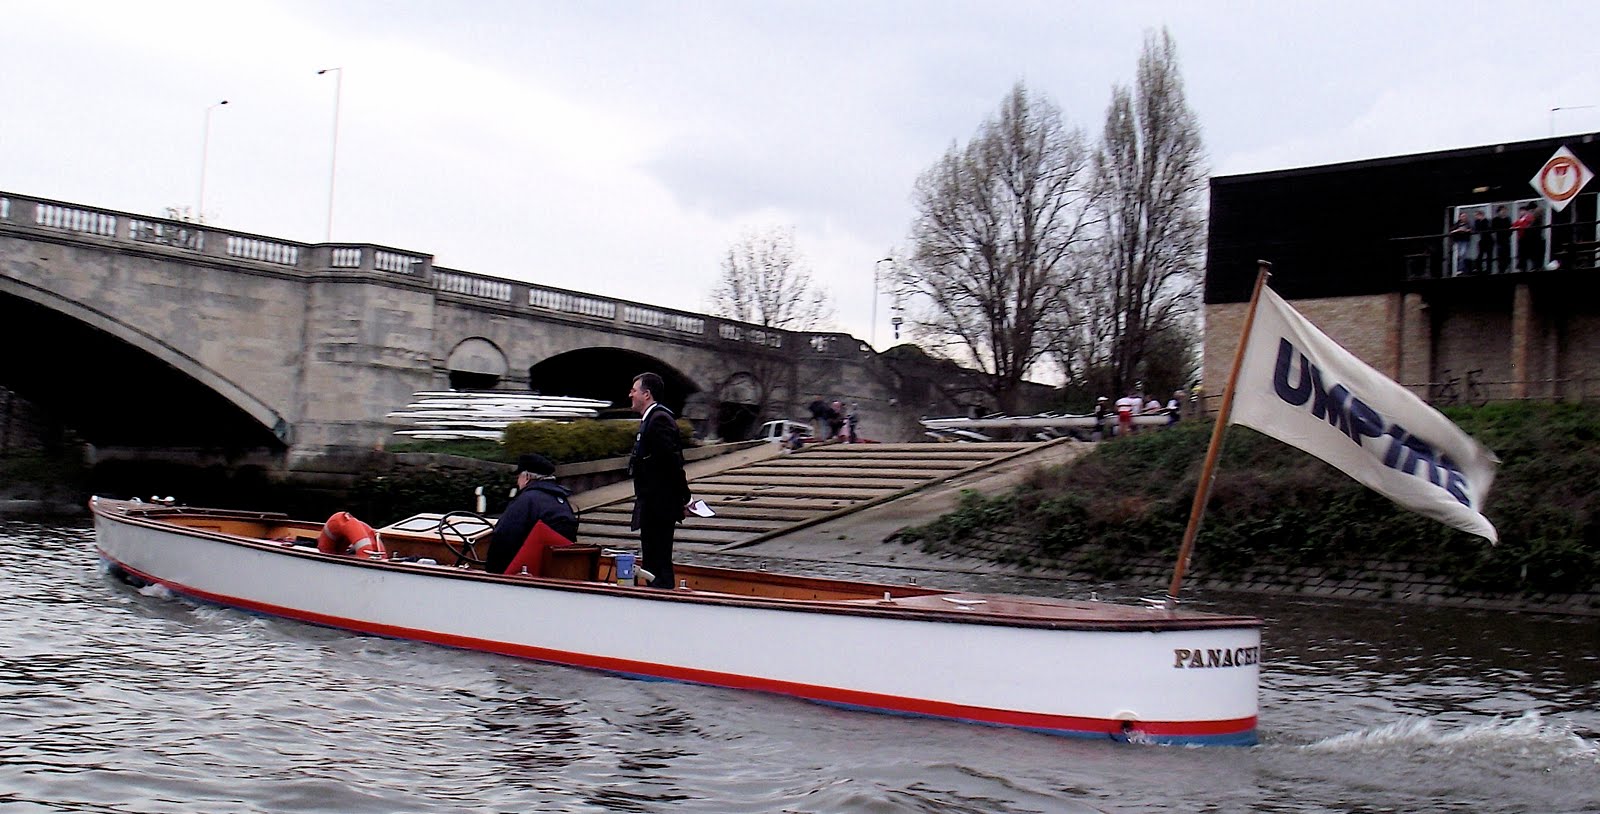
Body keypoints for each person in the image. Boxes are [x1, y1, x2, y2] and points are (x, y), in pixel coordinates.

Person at [629, 372, 690, 589]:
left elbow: (672, 463)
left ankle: (661, 597)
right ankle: (656, 594)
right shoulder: (652, 419)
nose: (630, 395)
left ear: (646, 394)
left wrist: (684, 498)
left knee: (658, 559)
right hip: (653, 502)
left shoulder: (659, 420)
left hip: (659, 505)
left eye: (634, 390)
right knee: (653, 558)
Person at [487, 453, 579, 575]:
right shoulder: (561, 500)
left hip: (526, 573)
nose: (517, 481)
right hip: (560, 571)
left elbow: (504, 536)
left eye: (518, 476)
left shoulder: (526, 500)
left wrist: (491, 571)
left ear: (527, 477)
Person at [1513, 202, 1544, 272]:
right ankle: (1531, 267)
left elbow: (1531, 226)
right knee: (1531, 255)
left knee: (1528, 254)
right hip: (1533, 238)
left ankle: (1527, 267)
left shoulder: (1534, 215)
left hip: (1532, 238)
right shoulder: (1535, 216)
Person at [1448, 212, 1472, 276]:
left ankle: (1460, 269)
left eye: (1465, 216)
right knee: (1460, 255)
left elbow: (1471, 229)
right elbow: (1451, 230)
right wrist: (1458, 230)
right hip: (1458, 241)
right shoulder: (1457, 224)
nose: (1464, 217)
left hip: (1465, 241)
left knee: (1462, 254)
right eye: (1463, 216)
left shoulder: (1468, 223)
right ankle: (1462, 269)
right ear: (1460, 217)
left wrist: (1467, 230)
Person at [1491, 205, 1513, 273]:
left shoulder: (1508, 219)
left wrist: (1510, 231)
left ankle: (1507, 267)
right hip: (1499, 240)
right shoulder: (1495, 220)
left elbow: (1510, 229)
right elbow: (1493, 229)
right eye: (1502, 210)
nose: (1504, 212)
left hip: (1507, 240)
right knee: (1500, 255)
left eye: (1505, 210)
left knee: (1507, 254)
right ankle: (1501, 270)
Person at [1471, 209, 1493, 274]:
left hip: (1488, 240)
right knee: (1480, 255)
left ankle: (1489, 269)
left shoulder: (1487, 221)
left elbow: (1489, 229)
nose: (1476, 217)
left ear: (1480, 215)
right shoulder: (1477, 222)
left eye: (1476, 215)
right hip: (1482, 240)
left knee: (1489, 255)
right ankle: (1479, 268)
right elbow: (1476, 229)